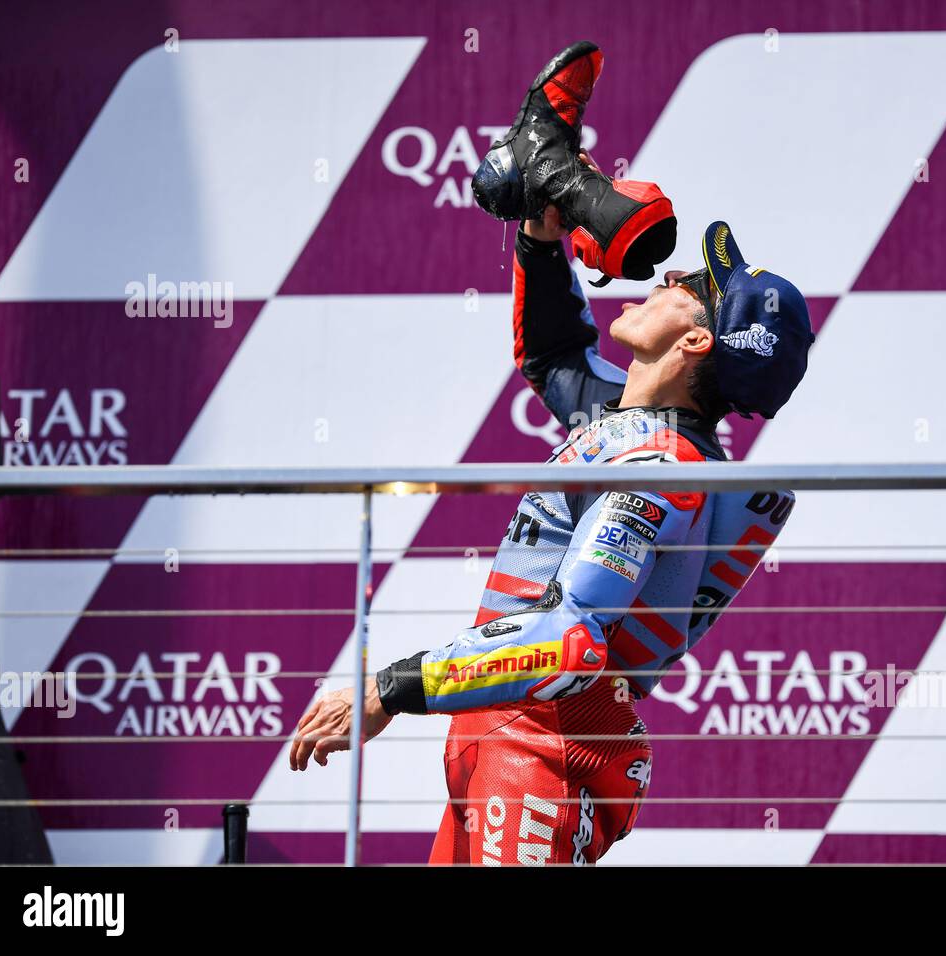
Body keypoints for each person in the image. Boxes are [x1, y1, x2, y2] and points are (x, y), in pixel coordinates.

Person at [288, 44, 815, 865]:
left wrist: (390, 689)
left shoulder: (658, 475)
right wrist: (543, 223)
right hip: (505, 726)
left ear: (699, 337)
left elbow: (572, 641)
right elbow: (556, 358)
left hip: (546, 735)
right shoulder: (629, 428)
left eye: (690, 286)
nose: (668, 273)